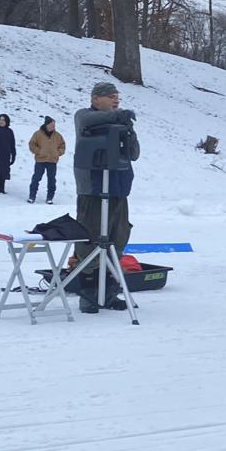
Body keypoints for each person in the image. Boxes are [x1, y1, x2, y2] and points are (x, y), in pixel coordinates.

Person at [74, 82, 140, 313]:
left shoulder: (120, 121)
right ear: (95, 99)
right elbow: (85, 122)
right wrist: (117, 117)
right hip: (92, 189)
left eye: (117, 97)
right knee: (89, 240)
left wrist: (129, 130)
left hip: (118, 189)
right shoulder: (84, 116)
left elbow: (134, 154)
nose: (116, 100)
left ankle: (110, 290)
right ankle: (89, 293)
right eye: (111, 97)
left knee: (118, 238)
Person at [27, 116, 66, 204]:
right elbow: (32, 144)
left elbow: (62, 146)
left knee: (51, 180)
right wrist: (38, 151)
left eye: (54, 125)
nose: (53, 127)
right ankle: (32, 196)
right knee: (36, 179)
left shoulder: (58, 136)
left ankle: (50, 198)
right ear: (46, 125)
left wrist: (58, 152)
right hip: (40, 161)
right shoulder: (37, 134)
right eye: (51, 125)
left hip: (52, 161)